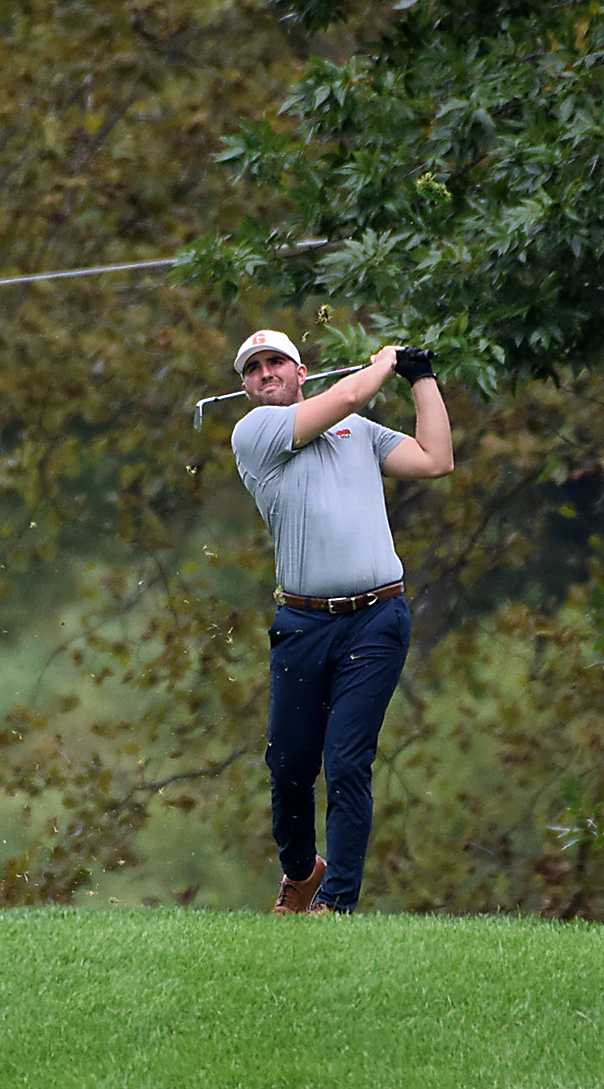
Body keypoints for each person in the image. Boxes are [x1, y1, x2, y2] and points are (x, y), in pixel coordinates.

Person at [228, 329, 453, 914]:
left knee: (348, 761)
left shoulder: (360, 434)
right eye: (254, 370)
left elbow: (436, 459)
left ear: (302, 372)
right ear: (247, 388)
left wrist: (421, 378)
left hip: (376, 620)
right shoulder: (255, 433)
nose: (266, 374)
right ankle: (302, 873)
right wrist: (383, 363)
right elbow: (349, 398)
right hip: (301, 625)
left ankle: (336, 902)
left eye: (277, 362)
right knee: (289, 765)